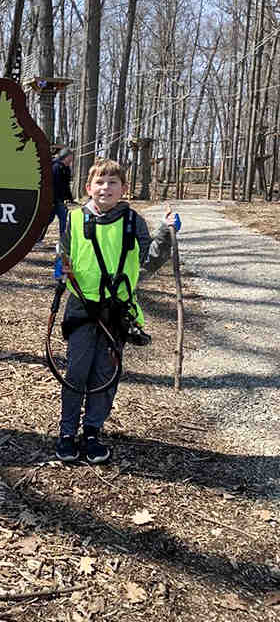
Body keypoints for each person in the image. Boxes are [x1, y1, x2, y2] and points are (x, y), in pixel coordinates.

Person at [54, 158, 179, 465]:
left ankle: (93, 432)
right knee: (76, 373)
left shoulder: (132, 221)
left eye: (113, 183)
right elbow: (63, 254)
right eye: (100, 182)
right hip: (82, 308)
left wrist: (166, 233)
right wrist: (61, 271)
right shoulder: (73, 219)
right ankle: (67, 434)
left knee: (105, 374)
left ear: (124, 189)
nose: (105, 188)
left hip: (117, 312)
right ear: (88, 187)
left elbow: (148, 261)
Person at [38, 147, 75, 242]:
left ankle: (64, 240)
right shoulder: (55, 167)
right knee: (48, 220)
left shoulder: (66, 169)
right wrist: (52, 200)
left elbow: (66, 185)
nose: (71, 161)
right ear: (64, 157)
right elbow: (52, 185)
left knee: (63, 218)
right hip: (53, 200)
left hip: (59, 200)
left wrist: (70, 198)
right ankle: (38, 238)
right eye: (70, 158)